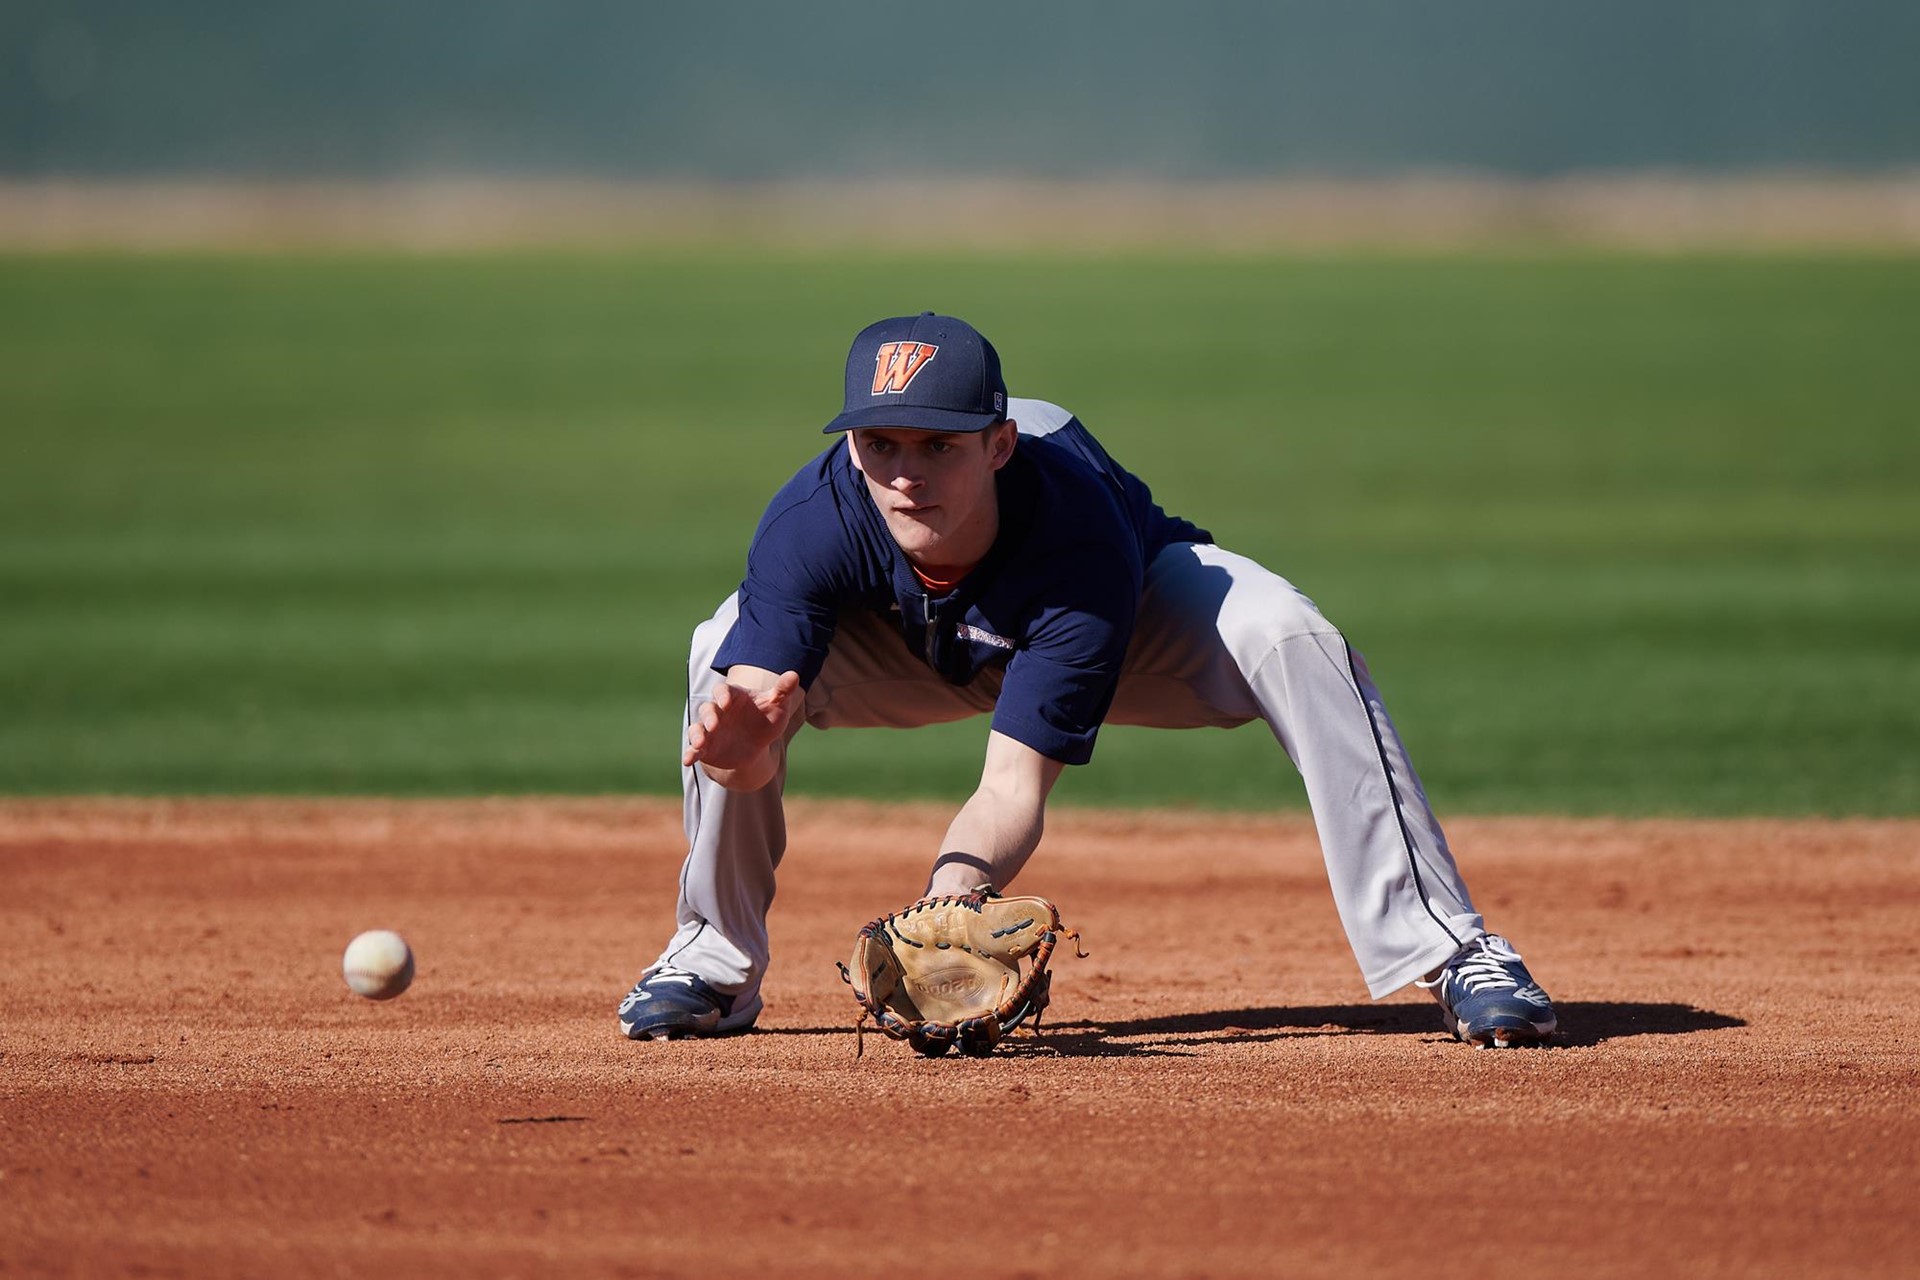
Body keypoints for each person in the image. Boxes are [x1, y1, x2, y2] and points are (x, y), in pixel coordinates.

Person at [617, 312, 1556, 1050]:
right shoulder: (812, 520)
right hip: (907, 650)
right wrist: (743, 757)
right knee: (717, 648)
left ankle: (1452, 947)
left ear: (998, 443)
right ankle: (714, 960)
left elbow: (1012, 786)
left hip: (1130, 628)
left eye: (937, 446)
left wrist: (954, 897)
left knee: (1287, 632)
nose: (904, 476)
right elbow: (752, 712)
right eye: (881, 445)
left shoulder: (1076, 531)